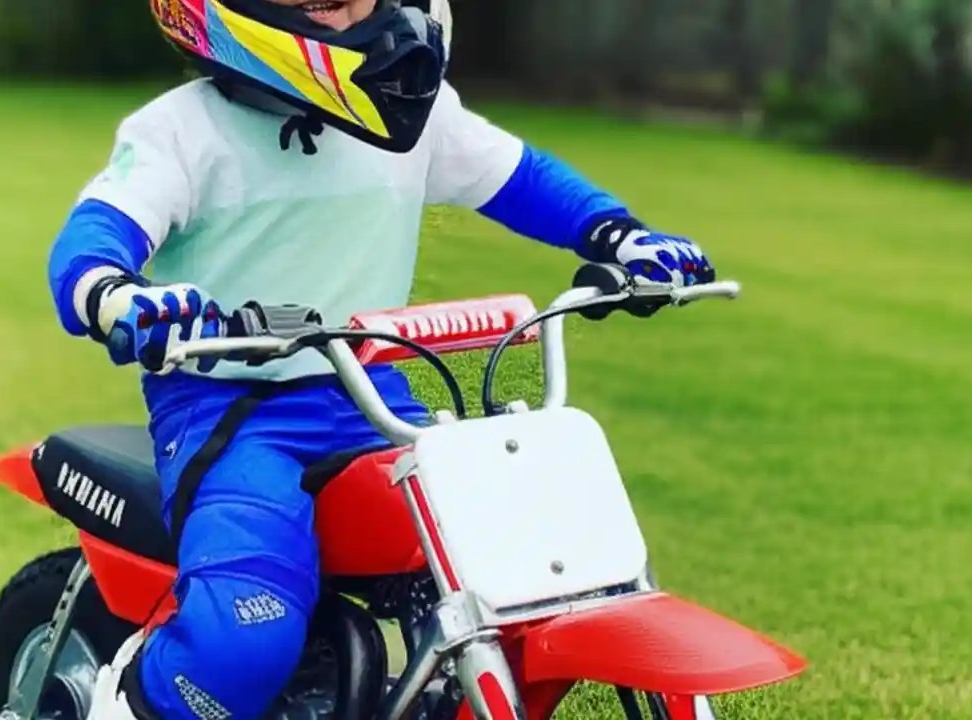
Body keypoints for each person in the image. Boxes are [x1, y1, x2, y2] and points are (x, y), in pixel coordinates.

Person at [45, 0, 716, 718]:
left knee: (515, 560)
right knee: (245, 636)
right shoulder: (181, 132)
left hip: (370, 392)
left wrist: (618, 234)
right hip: (230, 409)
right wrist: (116, 296)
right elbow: (95, 237)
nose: (346, 12)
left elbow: (519, 177)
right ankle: (120, 701)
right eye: (319, 3)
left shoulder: (409, 116)